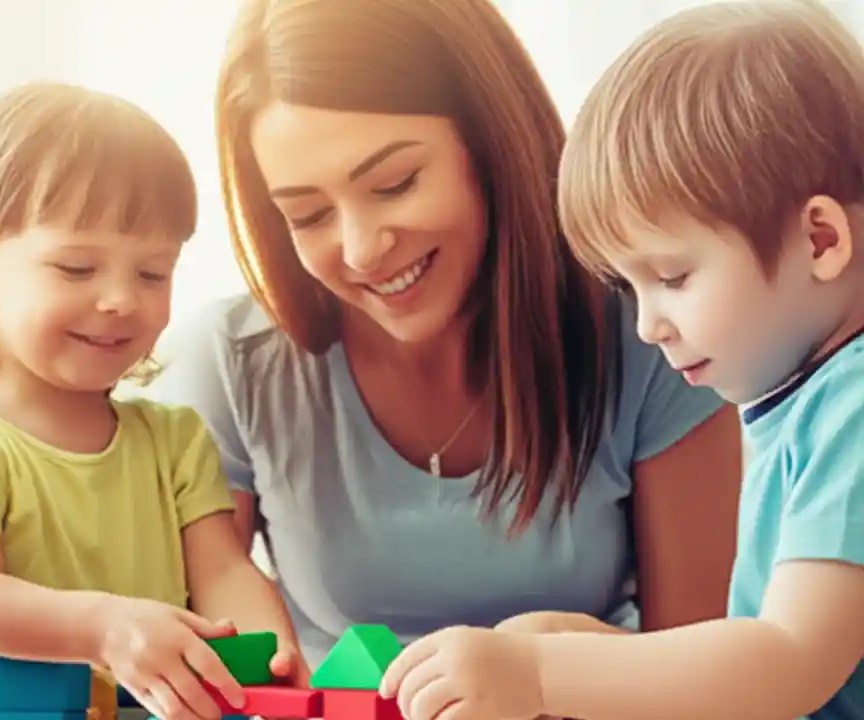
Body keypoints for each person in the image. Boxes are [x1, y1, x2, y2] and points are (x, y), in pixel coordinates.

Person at [143, 0, 743, 670]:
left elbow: (706, 674)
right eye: (308, 215)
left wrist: (558, 672)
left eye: (394, 184)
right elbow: (198, 643)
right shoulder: (228, 361)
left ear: (491, 142)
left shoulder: (652, 335)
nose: (362, 250)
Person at [379, 1, 864, 718]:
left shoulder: (853, 414)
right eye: (628, 287)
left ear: (820, 240)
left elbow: (789, 663)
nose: (647, 326)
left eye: (672, 276)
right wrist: (586, 650)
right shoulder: (808, 404)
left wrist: (544, 670)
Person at [0, 83, 303, 720]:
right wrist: (105, 628)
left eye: (152, 273)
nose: (121, 299)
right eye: (76, 268)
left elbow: (223, 573)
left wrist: (272, 660)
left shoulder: (174, 440)